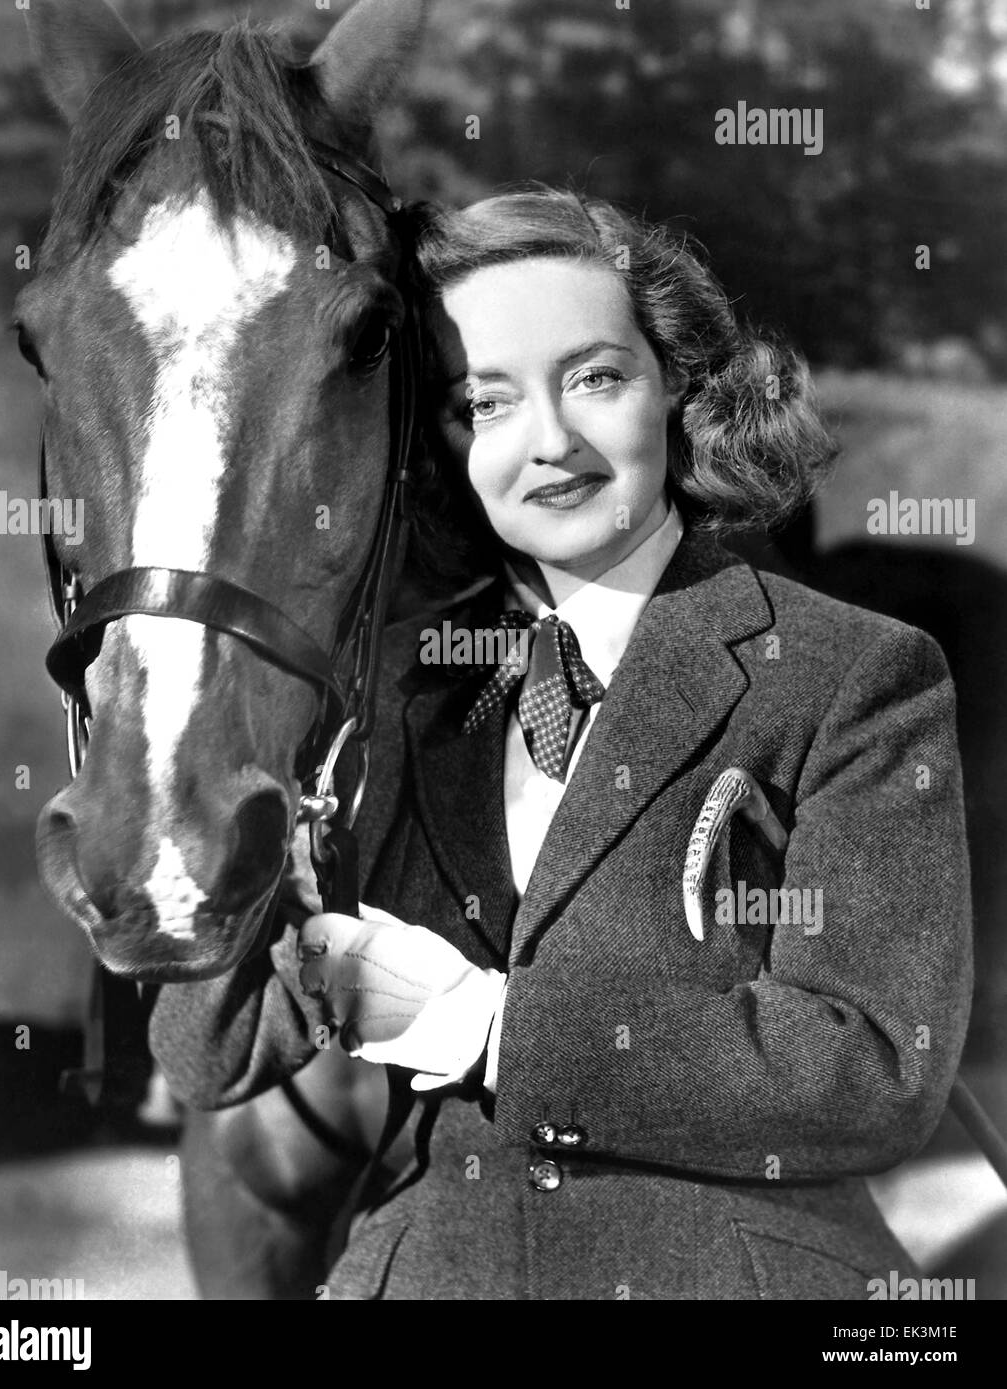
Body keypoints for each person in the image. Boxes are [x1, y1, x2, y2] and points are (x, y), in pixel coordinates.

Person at [151, 188, 973, 1300]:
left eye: (594, 376)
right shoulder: (389, 686)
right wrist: (199, 780)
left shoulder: (854, 674)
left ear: (679, 389)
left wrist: (479, 1025)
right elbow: (210, 1050)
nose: (547, 442)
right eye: (480, 404)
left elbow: (875, 1069)